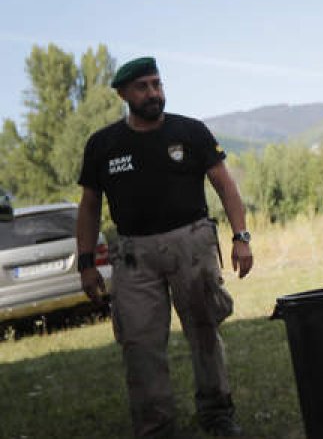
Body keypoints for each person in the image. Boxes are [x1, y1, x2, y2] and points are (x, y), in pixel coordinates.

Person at [76, 56, 253, 438]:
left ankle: (217, 413)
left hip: (191, 244)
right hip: (134, 256)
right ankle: (155, 426)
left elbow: (225, 185)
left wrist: (241, 238)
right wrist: (86, 262)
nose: (153, 93)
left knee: (204, 330)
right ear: (123, 93)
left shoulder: (191, 131)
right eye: (143, 87)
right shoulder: (103, 145)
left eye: (157, 84)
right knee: (139, 343)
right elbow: (89, 206)